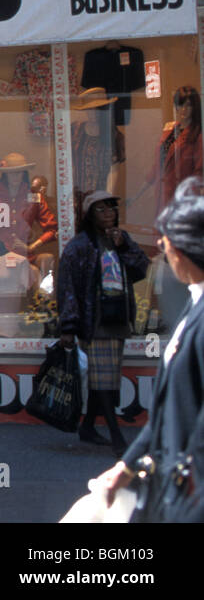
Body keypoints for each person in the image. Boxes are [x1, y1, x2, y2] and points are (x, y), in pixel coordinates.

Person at [95, 176, 204, 520]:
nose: (161, 246)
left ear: (185, 247)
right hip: (172, 489)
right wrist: (127, 466)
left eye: (166, 240)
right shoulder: (194, 302)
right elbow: (168, 413)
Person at [56, 189, 148, 456]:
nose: (109, 214)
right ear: (89, 215)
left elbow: (141, 270)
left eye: (111, 208)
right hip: (94, 320)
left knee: (103, 377)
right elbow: (68, 288)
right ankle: (117, 437)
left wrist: (125, 246)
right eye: (101, 209)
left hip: (118, 317)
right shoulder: (80, 246)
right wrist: (69, 327)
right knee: (105, 379)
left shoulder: (121, 239)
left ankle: (87, 428)